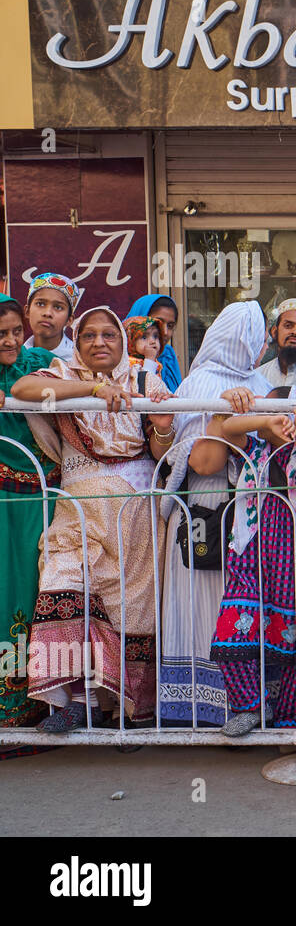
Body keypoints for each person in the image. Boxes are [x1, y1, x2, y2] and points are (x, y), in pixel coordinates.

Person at [13, 307, 175, 731]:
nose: (100, 342)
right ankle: (75, 700)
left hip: (135, 519)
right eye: (89, 335)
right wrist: (92, 388)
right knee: (62, 584)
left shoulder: (143, 378)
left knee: (131, 616)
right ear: (77, 339)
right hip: (77, 515)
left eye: (109, 335)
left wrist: (161, 427)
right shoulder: (61, 372)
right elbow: (24, 387)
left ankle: (129, 712)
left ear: (123, 341)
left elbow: (161, 454)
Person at [156, 302, 270, 726]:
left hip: (227, 508)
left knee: (221, 604)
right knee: (218, 603)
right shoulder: (215, 382)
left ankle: (220, 705)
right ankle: (226, 705)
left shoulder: (234, 380)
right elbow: (201, 461)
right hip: (219, 506)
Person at [204, 392, 296, 736]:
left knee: (295, 646)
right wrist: (265, 420)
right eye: (275, 413)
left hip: (292, 564)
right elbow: (228, 426)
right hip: (250, 558)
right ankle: (251, 706)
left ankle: (291, 719)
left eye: (288, 413)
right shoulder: (253, 451)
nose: (281, 420)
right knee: (230, 635)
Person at [0, 294, 59, 728]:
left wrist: (96, 389)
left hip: (42, 496)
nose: (12, 340)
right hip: (4, 500)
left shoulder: (39, 360)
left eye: (16, 330)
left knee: (39, 592)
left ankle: (41, 701)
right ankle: (8, 704)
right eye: (1, 334)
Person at [126, 294, 182, 391]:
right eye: (158, 322)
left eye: (170, 326)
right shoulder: (118, 357)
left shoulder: (167, 354)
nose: (164, 332)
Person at [23, 272, 79, 362]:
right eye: (40, 304)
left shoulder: (78, 361)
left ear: (69, 320)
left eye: (58, 307)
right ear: (27, 311)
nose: (47, 313)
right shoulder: (16, 357)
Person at [123, 316, 163, 390]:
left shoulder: (157, 364)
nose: (153, 341)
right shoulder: (127, 364)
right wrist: (149, 360)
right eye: (144, 337)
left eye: (155, 336)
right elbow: (144, 387)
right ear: (130, 340)